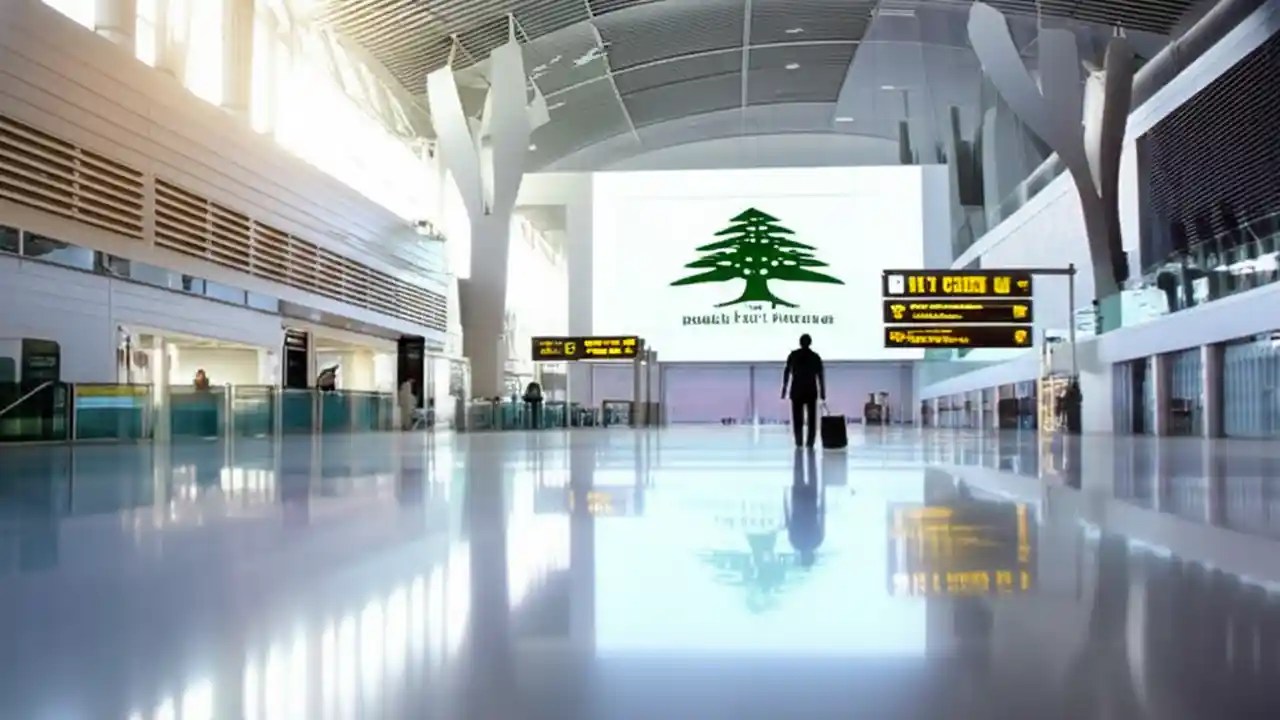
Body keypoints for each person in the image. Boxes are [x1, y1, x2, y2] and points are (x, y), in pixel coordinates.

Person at [781, 333, 825, 448]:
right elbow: (820, 376)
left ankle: (799, 440)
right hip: (811, 390)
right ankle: (810, 441)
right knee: (812, 418)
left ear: (800, 342)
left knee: (797, 418)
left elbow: (787, 372)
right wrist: (822, 392)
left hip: (797, 390)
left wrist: (784, 389)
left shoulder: (793, 355)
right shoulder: (815, 356)